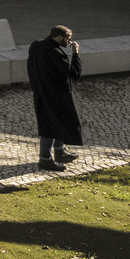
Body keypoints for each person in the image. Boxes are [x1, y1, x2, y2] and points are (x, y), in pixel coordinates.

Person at [26, 25, 83, 171]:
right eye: (68, 39)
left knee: (59, 122)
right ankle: (45, 159)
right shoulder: (56, 53)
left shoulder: (36, 45)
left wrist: (35, 86)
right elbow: (74, 73)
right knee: (50, 125)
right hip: (57, 95)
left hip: (40, 91)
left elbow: (30, 66)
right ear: (59, 38)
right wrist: (75, 53)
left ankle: (59, 151)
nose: (69, 42)